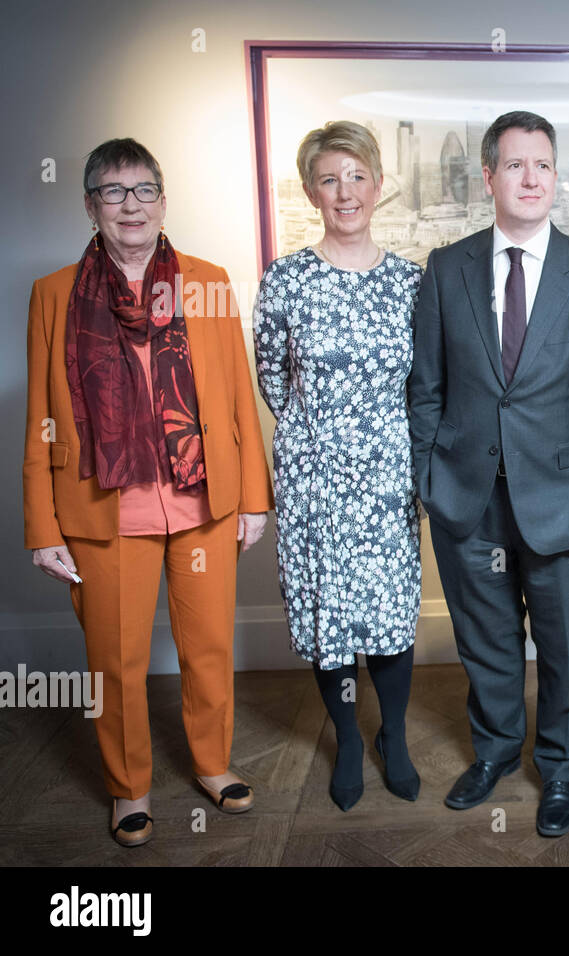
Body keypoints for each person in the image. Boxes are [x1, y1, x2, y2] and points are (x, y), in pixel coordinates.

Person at [23, 138, 273, 847]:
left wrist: (253, 497)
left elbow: (236, 401)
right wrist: (43, 526)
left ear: (163, 202)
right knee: (116, 660)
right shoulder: (52, 294)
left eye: (143, 191)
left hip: (201, 501)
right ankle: (128, 788)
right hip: (104, 509)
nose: (130, 205)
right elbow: (41, 415)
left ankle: (213, 764)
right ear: (90, 204)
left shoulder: (207, 281)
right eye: (113, 191)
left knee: (207, 647)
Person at [408, 111, 569, 837]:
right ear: (489, 178)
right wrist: (428, 478)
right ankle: (497, 751)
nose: (531, 177)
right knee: (486, 640)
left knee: (568, 647)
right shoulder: (448, 268)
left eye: (543, 164)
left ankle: (563, 769)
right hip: (467, 501)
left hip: (567, 502)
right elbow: (426, 388)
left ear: (556, 175)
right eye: (515, 165)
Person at [254, 121, 424, 812]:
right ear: (310, 191)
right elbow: (271, 378)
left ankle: (397, 738)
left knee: (389, 615)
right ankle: (349, 739)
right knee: (331, 618)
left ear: (379, 186)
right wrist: (321, 437)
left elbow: (426, 387)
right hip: (314, 481)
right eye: (330, 178)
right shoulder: (286, 278)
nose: (345, 190)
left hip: (387, 480)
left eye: (357, 176)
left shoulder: (413, 284)